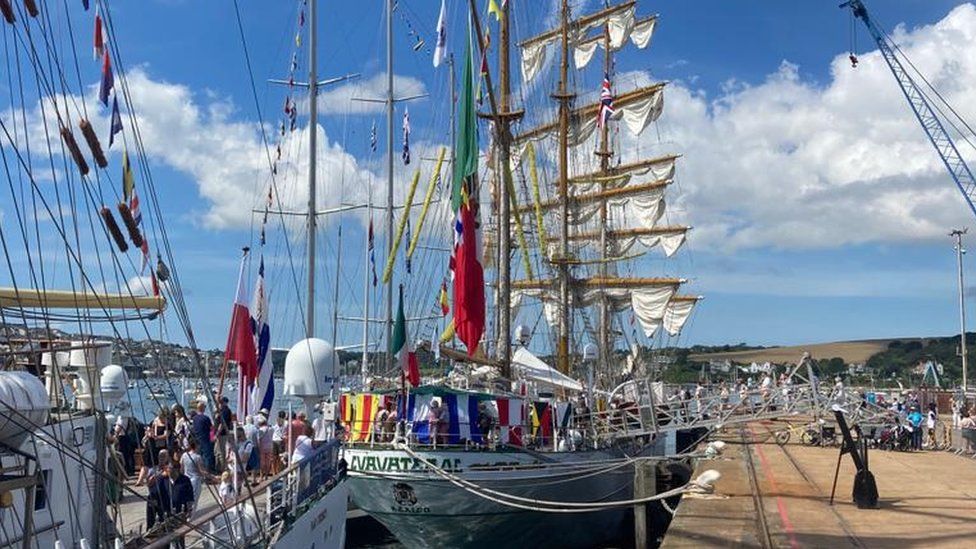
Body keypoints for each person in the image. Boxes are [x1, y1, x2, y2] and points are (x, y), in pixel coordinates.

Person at [146, 449, 171, 529]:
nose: (162, 458)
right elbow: (149, 483)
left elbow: (168, 475)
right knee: (150, 520)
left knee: (164, 519)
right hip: (153, 497)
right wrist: (157, 475)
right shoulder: (152, 470)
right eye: (160, 456)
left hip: (164, 498)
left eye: (164, 456)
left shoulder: (169, 469)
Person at [180, 439, 208, 506]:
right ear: (196, 446)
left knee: (187, 500)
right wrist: (212, 476)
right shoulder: (197, 457)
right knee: (194, 501)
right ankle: (192, 515)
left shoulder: (184, 455)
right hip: (195, 481)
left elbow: (181, 467)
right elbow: (201, 471)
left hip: (186, 479)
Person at [191, 401, 216, 473]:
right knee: (207, 456)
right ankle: (207, 472)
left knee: (199, 456)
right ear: (202, 408)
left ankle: (200, 472)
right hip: (205, 439)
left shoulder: (194, 418)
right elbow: (211, 428)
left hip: (197, 439)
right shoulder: (206, 418)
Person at [215, 397, 234, 472]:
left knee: (221, 452)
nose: (220, 404)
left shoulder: (226, 411)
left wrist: (217, 434)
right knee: (217, 452)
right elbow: (216, 423)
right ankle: (218, 468)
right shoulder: (220, 411)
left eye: (221, 402)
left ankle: (223, 469)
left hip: (222, 434)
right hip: (218, 434)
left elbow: (222, 424)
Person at [256, 414, 274, 479]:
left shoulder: (260, 430)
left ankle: (261, 476)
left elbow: (259, 439)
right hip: (270, 446)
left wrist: (258, 447)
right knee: (268, 461)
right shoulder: (271, 429)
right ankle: (266, 475)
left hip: (262, 447)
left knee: (262, 462)